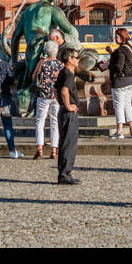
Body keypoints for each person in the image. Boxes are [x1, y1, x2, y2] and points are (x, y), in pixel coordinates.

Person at [31, 39, 62, 160]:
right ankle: (54, 150)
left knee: (40, 121)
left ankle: (40, 147)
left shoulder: (42, 63)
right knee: (55, 122)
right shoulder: (61, 64)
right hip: (56, 96)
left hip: (43, 95)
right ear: (56, 51)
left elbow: (34, 77)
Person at [56, 45, 81, 185]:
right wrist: (67, 105)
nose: (78, 60)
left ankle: (63, 173)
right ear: (69, 59)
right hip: (68, 113)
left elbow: (55, 90)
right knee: (69, 143)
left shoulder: (63, 72)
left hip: (63, 111)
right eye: (76, 57)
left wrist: (60, 103)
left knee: (65, 142)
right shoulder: (68, 74)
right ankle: (65, 174)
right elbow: (64, 91)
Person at [108, 27, 132, 140]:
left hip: (120, 82)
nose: (115, 38)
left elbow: (118, 66)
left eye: (117, 36)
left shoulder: (120, 51)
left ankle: (119, 131)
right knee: (127, 104)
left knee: (118, 106)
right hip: (131, 81)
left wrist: (107, 66)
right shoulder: (130, 48)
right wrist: (112, 53)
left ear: (122, 37)